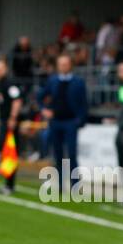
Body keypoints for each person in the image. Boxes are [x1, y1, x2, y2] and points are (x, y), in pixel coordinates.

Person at [43, 52, 88, 191]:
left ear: (70, 65)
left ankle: (75, 184)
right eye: (61, 64)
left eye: (65, 64)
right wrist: (44, 109)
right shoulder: (52, 81)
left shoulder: (78, 82)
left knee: (72, 153)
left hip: (70, 123)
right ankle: (61, 185)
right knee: (58, 154)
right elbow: (41, 96)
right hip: (56, 122)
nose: (63, 66)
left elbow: (84, 103)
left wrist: (79, 121)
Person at [0, 55, 23, 194]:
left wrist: (13, 118)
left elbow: (17, 100)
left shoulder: (9, 83)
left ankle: (9, 185)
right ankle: (7, 182)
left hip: (9, 122)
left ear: (5, 68)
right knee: (3, 150)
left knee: (9, 152)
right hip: (4, 120)